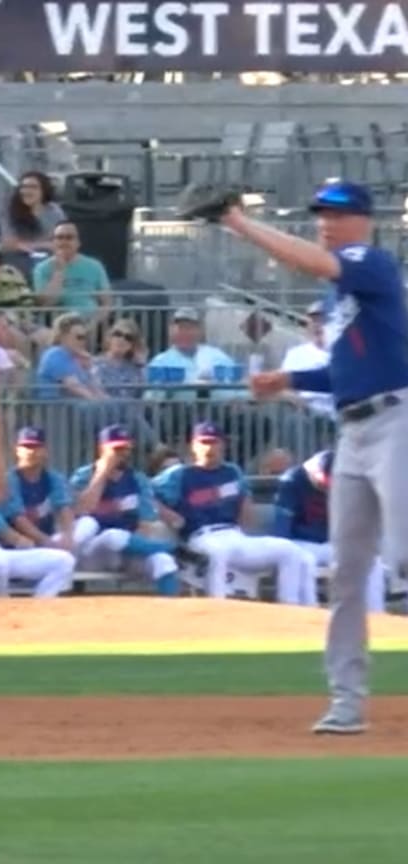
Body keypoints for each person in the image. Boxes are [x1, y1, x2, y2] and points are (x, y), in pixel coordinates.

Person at [236, 180, 408, 734]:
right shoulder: (340, 296)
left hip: (397, 419)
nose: (326, 224)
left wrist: (240, 222)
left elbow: (309, 261)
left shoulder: (369, 262)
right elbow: (346, 371)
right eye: (319, 215)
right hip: (354, 429)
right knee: (348, 571)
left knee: (404, 559)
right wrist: (287, 377)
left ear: (364, 219)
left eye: (336, 214)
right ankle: (347, 701)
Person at [151, 422, 315, 605]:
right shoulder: (180, 474)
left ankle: (290, 607)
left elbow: (245, 501)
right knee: (220, 552)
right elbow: (146, 493)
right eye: (204, 442)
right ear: (194, 446)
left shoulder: (232, 471)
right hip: (201, 537)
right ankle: (218, 605)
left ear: (222, 445)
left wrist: (243, 520)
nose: (209, 447)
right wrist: (168, 514)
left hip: (233, 534)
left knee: (289, 550)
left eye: (213, 442)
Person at [272, 449, 393, 615]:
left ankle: (377, 616)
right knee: (302, 560)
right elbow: (282, 532)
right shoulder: (293, 480)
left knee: (372, 562)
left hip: (332, 544)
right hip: (301, 543)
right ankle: (299, 614)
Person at [68, 424, 181, 596]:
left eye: (127, 448)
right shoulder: (83, 475)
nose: (123, 453)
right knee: (107, 533)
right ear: (101, 448)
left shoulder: (137, 479)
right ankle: (174, 549)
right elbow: (81, 509)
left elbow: (145, 524)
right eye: (117, 448)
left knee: (164, 562)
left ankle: (173, 613)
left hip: (129, 549)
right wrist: (102, 473)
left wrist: (134, 550)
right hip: (93, 553)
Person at [0, 444, 77, 598]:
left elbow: (6, 531)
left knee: (63, 561)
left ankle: (40, 609)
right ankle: (2, 609)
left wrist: (26, 542)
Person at [3, 427, 87, 553]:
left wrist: (68, 536)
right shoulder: (9, 479)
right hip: (17, 545)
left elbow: (64, 508)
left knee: (87, 523)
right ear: (17, 451)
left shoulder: (54, 478)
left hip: (48, 540)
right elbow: (18, 519)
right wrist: (48, 542)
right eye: (26, 447)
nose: (31, 452)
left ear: (45, 451)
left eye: (36, 447)